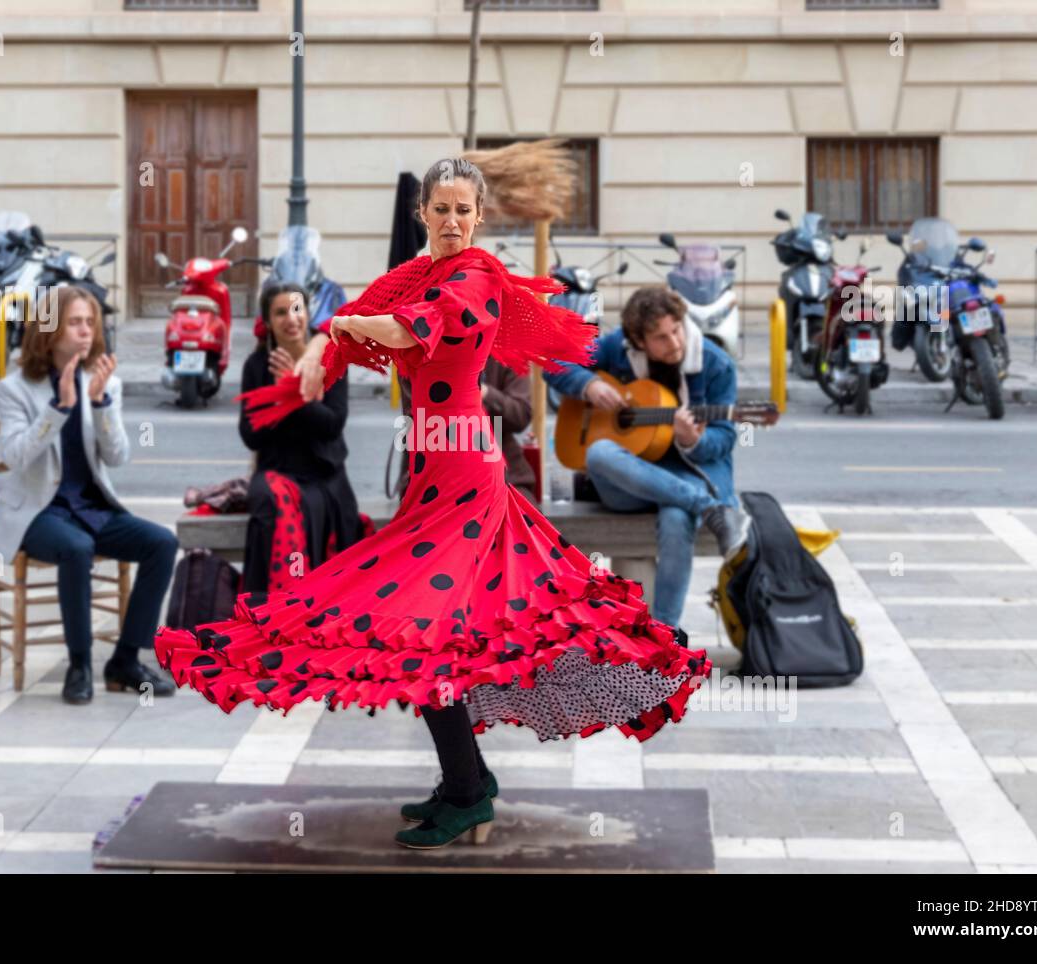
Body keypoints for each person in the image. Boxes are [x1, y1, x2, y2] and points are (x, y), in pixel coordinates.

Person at [155, 157, 711, 850]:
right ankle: (463, 782)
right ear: (423, 215)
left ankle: (469, 789)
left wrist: (339, 334)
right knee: (426, 636)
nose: (451, 221)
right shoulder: (417, 273)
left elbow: (403, 328)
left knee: (429, 635)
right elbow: (362, 312)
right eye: (439, 209)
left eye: (462, 210)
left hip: (467, 479)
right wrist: (328, 337)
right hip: (428, 476)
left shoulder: (474, 277)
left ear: (479, 217)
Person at [0, 285, 178, 705]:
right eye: (75, 322)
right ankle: (79, 664)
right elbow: (16, 457)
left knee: (162, 542)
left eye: (90, 322)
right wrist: (59, 408)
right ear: (49, 329)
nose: (86, 331)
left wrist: (101, 404)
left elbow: (118, 456)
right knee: (77, 547)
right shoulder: (15, 389)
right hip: (39, 514)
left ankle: (125, 661)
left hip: (91, 508)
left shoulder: (105, 381)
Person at [544, 286, 747, 627]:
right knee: (598, 452)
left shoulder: (715, 364)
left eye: (676, 330)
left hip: (690, 473)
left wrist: (694, 440)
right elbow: (552, 361)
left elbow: (724, 439)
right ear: (638, 341)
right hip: (631, 483)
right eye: (660, 338)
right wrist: (588, 384)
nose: (675, 343)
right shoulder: (617, 349)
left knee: (675, 518)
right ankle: (710, 509)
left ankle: (666, 635)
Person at [239, 281, 365, 593]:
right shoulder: (257, 366)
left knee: (314, 507)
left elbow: (332, 425)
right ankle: (279, 602)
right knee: (274, 503)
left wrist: (294, 393)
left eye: (297, 309)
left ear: (308, 314)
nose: (290, 319)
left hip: (324, 475)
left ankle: (312, 605)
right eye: (280, 312)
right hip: (277, 471)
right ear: (268, 322)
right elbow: (250, 435)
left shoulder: (331, 361)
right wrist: (281, 394)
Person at [392, 357, 537, 504]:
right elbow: (421, 422)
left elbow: (520, 414)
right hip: (435, 475)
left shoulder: (509, 352)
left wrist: (483, 392)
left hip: (506, 474)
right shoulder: (416, 354)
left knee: (520, 516)